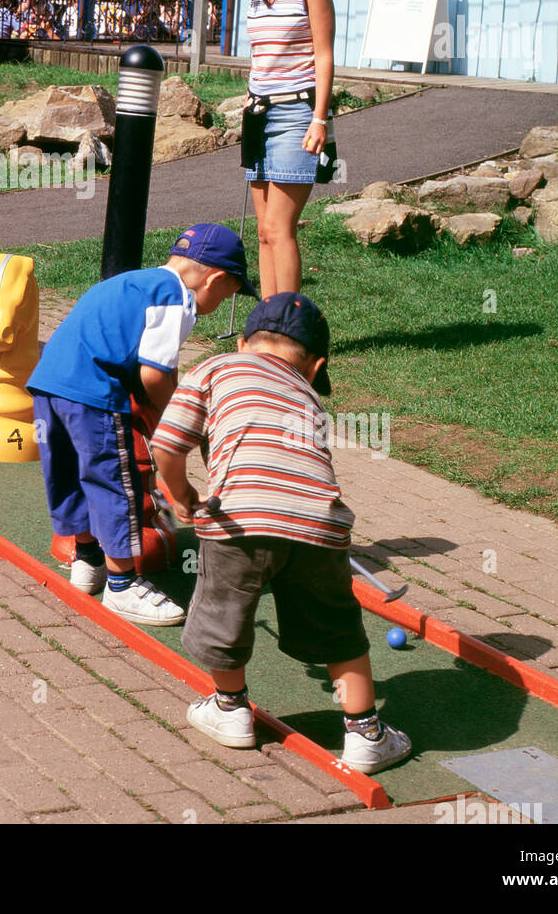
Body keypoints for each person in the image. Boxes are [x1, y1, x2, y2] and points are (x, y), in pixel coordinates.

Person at [151, 292, 411, 774]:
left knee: (223, 611)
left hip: (240, 522)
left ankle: (230, 710)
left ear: (245, 341)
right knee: (337, 629)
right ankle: (365, 733)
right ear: (316, 366)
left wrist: (183, 496)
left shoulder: (215, 369)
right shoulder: (309, 396)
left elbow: (167, 445)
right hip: (320, 523)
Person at [26, 224, 256, 626]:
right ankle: (122, 585)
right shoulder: (175, 298)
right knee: (113, 482)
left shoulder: (131, 281)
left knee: (67, 475)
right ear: (215, 278)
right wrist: (181, 419)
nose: (220, 304)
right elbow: (154, 375)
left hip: (48, 384)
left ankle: (89, 558)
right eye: (227, 295)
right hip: (93, 394)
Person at [239, 0, 337, 297]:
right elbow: (262, 55)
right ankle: (268, 319)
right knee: (263, 233)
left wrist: (320, 118)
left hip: (298, 113)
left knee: (281, 228)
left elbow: (324, 54)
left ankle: (290, 328)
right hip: (257, 113)